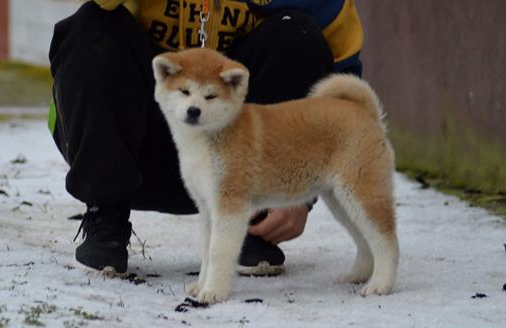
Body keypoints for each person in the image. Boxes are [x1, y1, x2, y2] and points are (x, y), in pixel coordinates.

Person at [48, 0, 364, 276]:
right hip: (133, 150)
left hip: (239, 172)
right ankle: (105, 217)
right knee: (91, 26)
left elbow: (342, 78)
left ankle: (253, 230)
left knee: (298, 35)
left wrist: (303, 186)